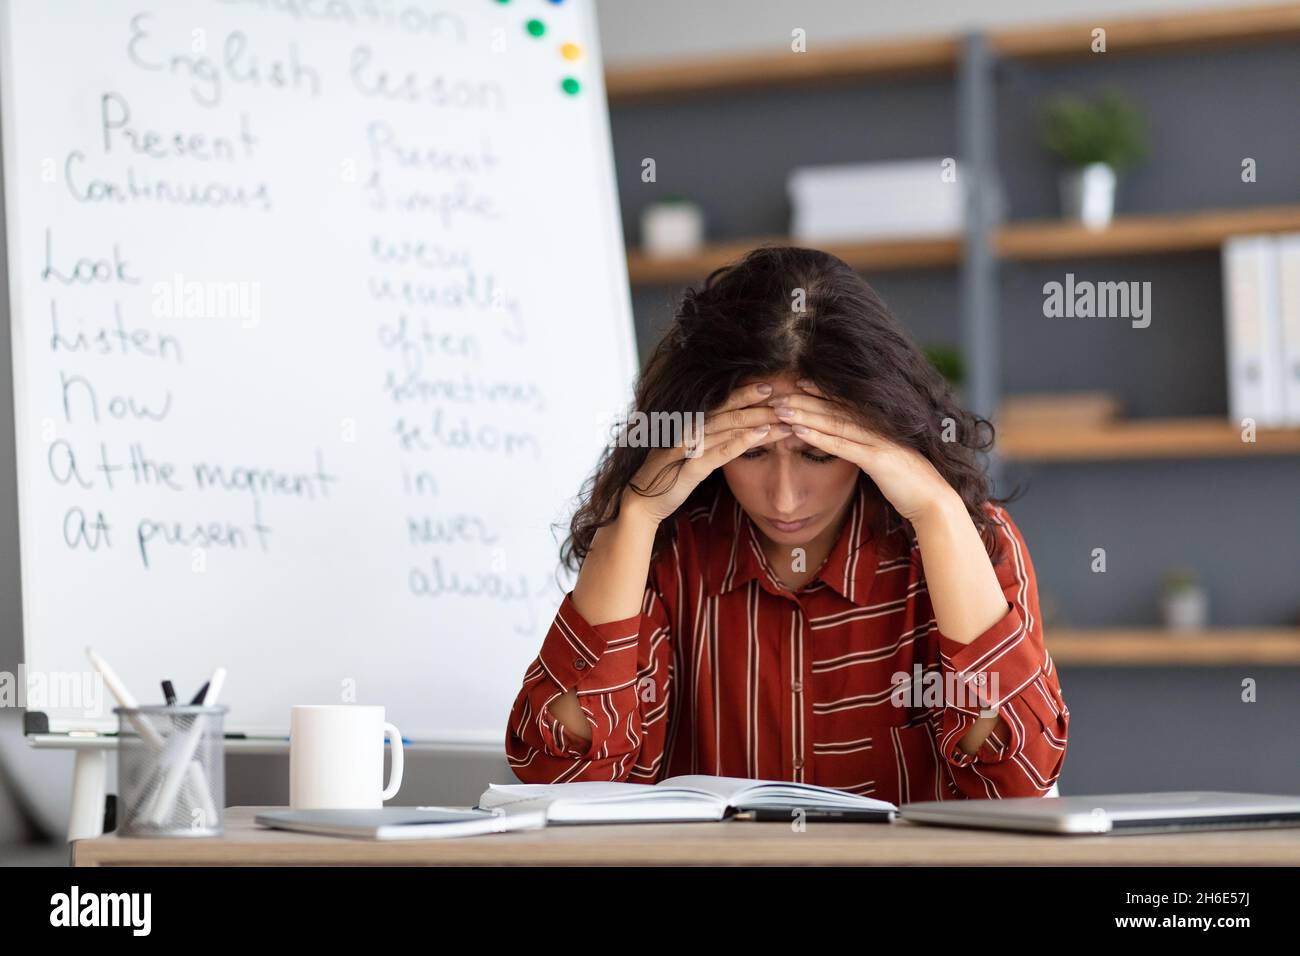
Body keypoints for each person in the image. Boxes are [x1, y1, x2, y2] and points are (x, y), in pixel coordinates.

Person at [504, 246, 1068, 802]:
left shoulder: (971, 540)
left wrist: (937, 510)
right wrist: (635, 513)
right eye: (750, 452)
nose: (785, 498)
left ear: (882, 437)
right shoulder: (665, 548)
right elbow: (564, 778)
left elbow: (1014, 782)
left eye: (818, 454)